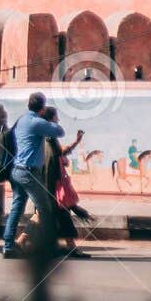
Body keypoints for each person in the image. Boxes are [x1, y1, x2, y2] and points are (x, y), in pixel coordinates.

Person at [2, 91, 64, 259]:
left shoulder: (22, 120)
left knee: (17, 208)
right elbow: (60, 131)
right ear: (42, 108)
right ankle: (48, 246)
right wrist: (48, 120)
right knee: (45, 208)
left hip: (17, 170)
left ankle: (8, 246)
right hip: (30, 173)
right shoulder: (37, 123)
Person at [41, 106, 88, 256]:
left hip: (48, 183)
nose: (58, 120)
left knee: (47, 216)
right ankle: (71, 247)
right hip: (51, 185)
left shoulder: (46, 137)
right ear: (50, 120)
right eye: (56, 117)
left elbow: (60, 154)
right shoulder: (48, 138)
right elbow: (58, 156)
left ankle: (21, 242)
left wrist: (76, 141)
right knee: (62, 216)